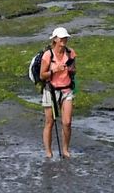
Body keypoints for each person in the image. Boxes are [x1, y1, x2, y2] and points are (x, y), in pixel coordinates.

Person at [35, 27, 77, 160]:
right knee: (49, 122)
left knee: (67, 122)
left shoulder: (71, 53)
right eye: (61, 38)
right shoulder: (48, 55)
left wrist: (71, 70)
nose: (64, 40)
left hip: (67, 90)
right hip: (50, 90)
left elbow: (74, 70)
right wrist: (55, 70)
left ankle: (65, 149)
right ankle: (48, 152)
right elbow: (42, 75)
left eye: (65, 38)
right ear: (55, 39)